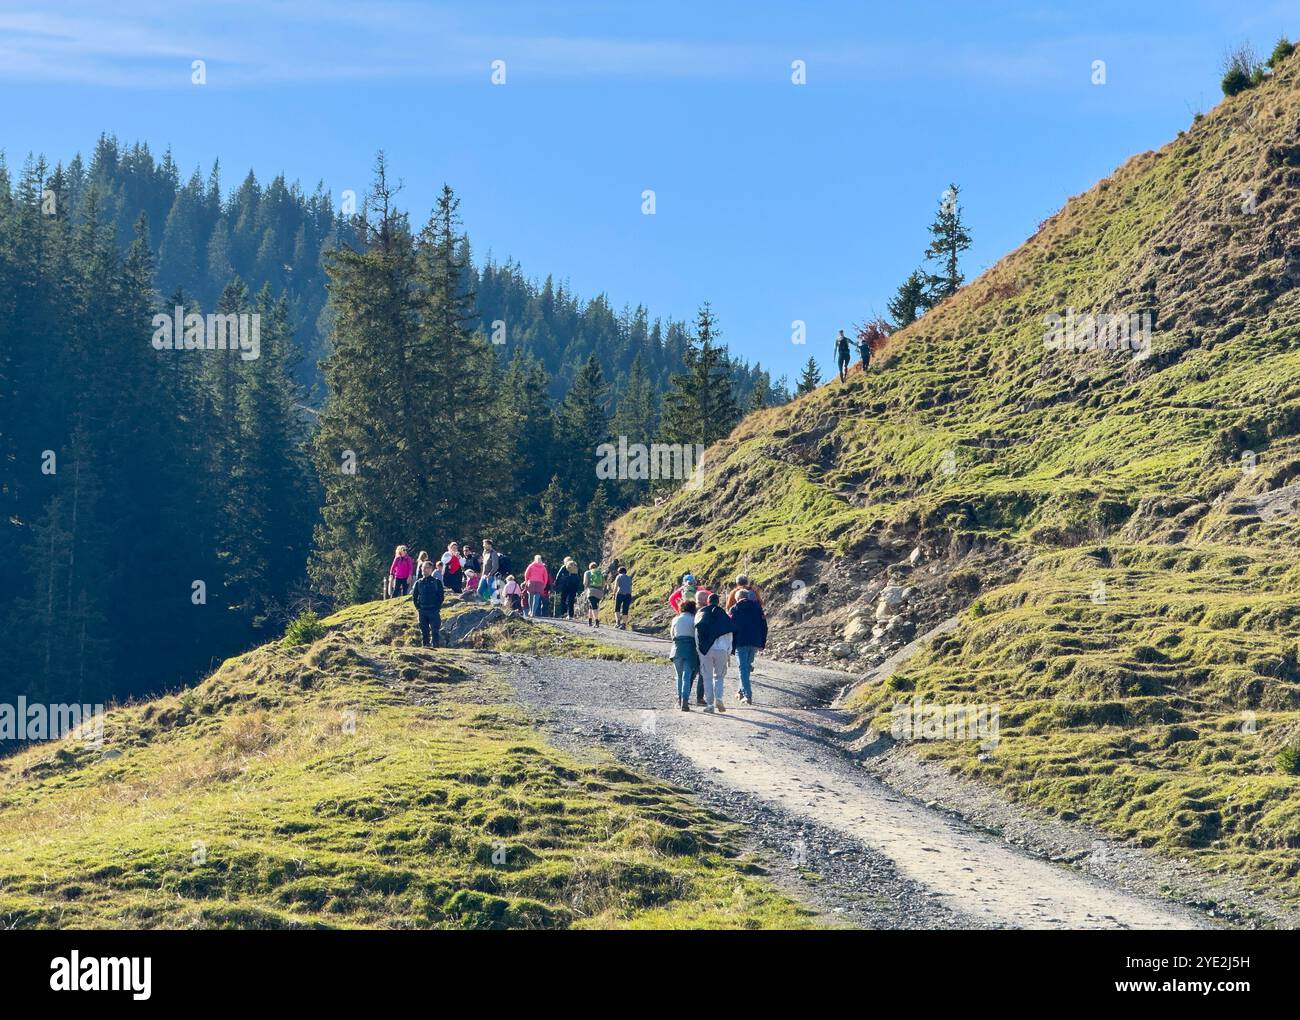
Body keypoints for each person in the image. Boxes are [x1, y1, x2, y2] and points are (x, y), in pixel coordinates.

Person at [694, 592, 734, 713]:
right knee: (719, 677)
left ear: (708, 601)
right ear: (718, 602)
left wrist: (698, 649)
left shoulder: (701, 613)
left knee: (707, 677)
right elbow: (729, 634)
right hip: (721, 649)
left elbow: (697, 632)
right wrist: (728, 651)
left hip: (706, 650)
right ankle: (719, 698)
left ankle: (710, 704)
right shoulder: (723, 615)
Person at [728, 587, 768, 705]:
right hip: (755, 642)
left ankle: (747, 694)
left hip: (741, 642)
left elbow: (730, 628)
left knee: (743, 668)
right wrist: (762, 643)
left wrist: (730, 645)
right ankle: (741, 691)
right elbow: (764, 626)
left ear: (738, 598)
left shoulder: (734, 609)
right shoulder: (758, 608)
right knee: (746, 667)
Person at [671, 599, 699, 711]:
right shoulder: (694, 620)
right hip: (690, 650)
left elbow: (672, 635)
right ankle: (685, 700)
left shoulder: (675, 619)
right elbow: (697, 637)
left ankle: (679, 699)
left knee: (679, 676)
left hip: (677, 649)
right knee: (686, 676)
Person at [410, 559, 445, 647]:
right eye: (423, 568)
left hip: (433, 610)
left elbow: (441, 596)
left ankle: (436, 646)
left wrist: (437, 607)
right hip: (422, 610)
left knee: (435, 630)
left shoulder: (437, 582)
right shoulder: (418, 582)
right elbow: (414, 597)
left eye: (427, 568)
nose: (424, 569)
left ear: (431, 569)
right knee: (424, 631)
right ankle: (425, 646)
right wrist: (418, 607)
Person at [582, 561, 606, 627]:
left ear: (590, 567)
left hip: (591, 591)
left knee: (593, 606)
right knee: (592, 606)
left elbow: (585, 583)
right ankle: (590, 621)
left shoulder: (587, 572)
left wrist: (586, 589)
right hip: (599, 592)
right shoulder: (600, 573)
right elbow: (604, 583)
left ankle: (596, 621)